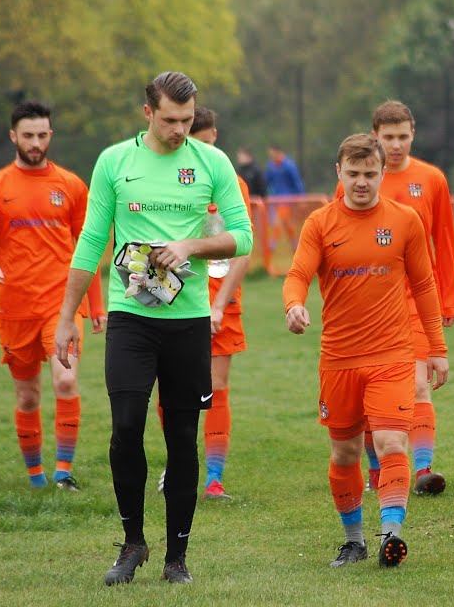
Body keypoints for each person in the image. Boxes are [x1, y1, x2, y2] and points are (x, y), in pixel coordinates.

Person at [54, 71, 253, 586]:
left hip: (187, 321)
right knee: (125, 427)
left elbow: (243, 235)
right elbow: (91, 241)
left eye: (187, 120)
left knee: (183, 436)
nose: (179, 130)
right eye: (170, 120)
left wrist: (188, 246)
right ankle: (133, 543)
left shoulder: (212, 162)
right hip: (130, 316)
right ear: (148, 113)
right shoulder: (115, 161)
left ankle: (177, 558)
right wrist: (67, 317)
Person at [283, 133, 450, 569]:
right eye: (353, 173)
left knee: (393, 440)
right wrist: (294, 304)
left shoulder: (405, 220)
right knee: (346, 453)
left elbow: (424, 285)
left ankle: (391, 535)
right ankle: (353, 540)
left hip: (393, 353)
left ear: (382, 173)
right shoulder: (319, 223)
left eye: (370, 174)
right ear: (339, 172)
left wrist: (436, 346)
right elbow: (298, 272)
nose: (362, 182)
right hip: (339, 358)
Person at [0, 101, 107, 491]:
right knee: (28, 395)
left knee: (65, 381)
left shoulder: (71, 185)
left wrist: (95, 304)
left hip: (61, 305)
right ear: (13, 136)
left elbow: (89, 246)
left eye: (42, 135)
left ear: (51, 136)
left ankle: (64, 473)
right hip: (14, 306)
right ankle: (36, 479)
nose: (35, 142)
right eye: (27, 135)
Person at [333, 99, 454, 495]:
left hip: (415, 300)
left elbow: (445, 241)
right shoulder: (360, 176)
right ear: (376, 136)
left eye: (403, 136)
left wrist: (449, 300)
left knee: (420, 384)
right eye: (388, 137)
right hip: (369, 305)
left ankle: (423, 470)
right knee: (372, 396)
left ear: (413, 135)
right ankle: (377, 466)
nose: (396, 144)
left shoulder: (432, 179)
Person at [154, 106, 253, 501]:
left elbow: (243, 247)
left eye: (212, 143)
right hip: (175, 299)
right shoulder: (165, 181)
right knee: (173, 390)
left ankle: (213, 477)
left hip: (221, 300)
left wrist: (220, 305)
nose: (207, 153)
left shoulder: (230, 182)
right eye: (200, 143)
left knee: (217, 387)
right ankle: (177, 464)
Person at [265, 143, 306, 251]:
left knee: (279, 220)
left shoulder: (289, 165)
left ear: (278, 152)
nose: (271, 155)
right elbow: (267, 182)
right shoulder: (271, 166)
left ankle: (272, 244)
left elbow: (297, 182)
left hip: (288, 199)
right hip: (275, 200)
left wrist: (301, 198)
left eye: (272, 153)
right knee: (288, 223)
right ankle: (295, 245)